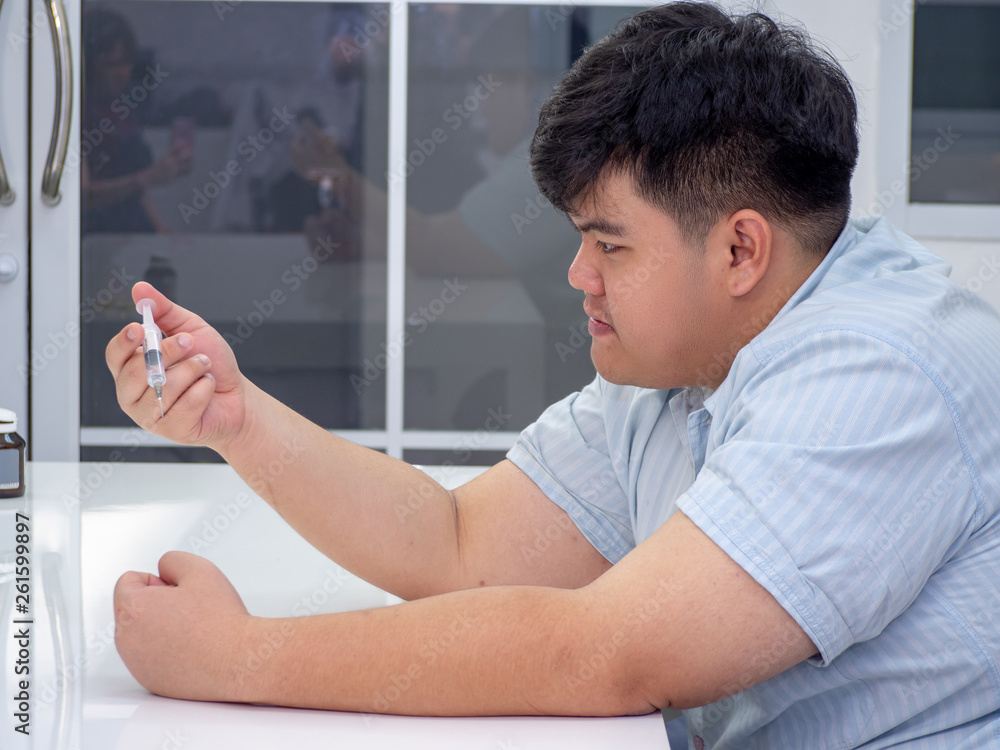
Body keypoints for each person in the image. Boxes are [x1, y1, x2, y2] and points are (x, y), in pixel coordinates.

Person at [106, 3, 1000, 747]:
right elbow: (458, 544)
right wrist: (236, 417)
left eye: (609, 244)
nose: (579, 275)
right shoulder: (683, 366)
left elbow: (605, 656)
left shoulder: (879, 374)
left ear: (739, 248)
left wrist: (234, 660)